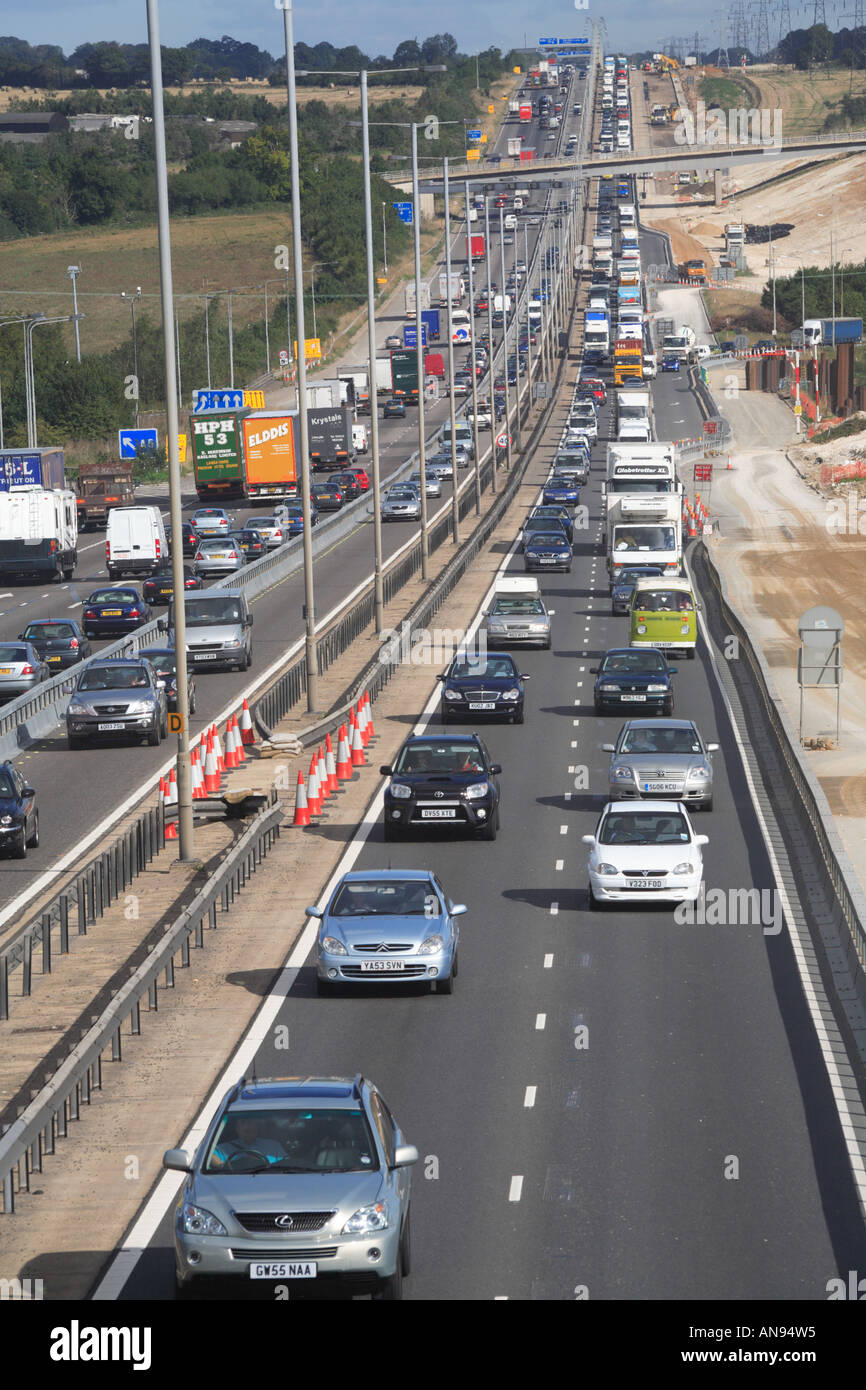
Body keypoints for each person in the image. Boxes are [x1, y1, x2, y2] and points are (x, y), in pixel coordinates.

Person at [209, 1114, 286, 1169]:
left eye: (251, 1122)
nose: (247, 1126)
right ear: (237, 1128)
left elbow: (285, 1164)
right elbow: (207, 1155)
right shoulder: (224, 1149)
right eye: (243, 1122)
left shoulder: (273, 1146)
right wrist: (222, 1166)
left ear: (257, 1127)